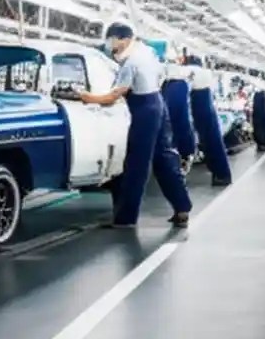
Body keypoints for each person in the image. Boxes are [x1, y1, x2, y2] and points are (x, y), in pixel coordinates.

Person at [79, 23, 192, 228]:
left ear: (124, 39)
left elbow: (114, 96)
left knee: (136, 164)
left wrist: (87, 97)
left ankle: (125, 219)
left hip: (144, 110)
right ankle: (182, 207)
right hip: (158, 104)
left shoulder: (131, 62)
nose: (110, 45)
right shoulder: (147, 53)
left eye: (112, 40)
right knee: (164, 157)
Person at [185, 54, 232, 186]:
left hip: (201, 109)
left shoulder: (192, 71)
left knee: (210, 142)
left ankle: (222, 175)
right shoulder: (206, 72)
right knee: (213, 142)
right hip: (206, 108)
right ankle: (221, 174)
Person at [161, 51, 197, 175]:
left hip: (175, 86)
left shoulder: (183, 71)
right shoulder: (173, 68)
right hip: (169, 86)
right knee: (173, 122)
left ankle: (184, 154)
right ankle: (182, 154)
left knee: (178, 121)